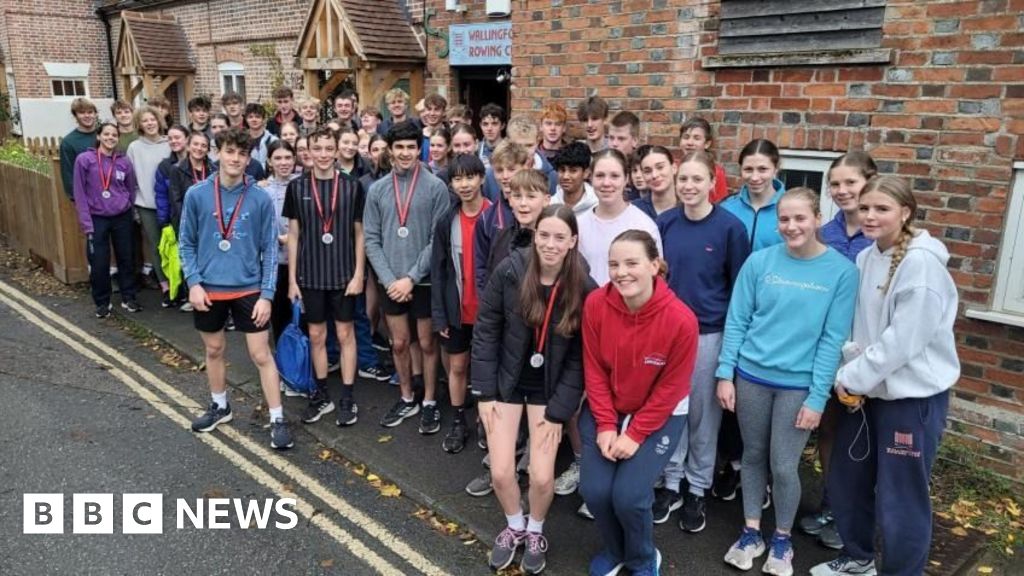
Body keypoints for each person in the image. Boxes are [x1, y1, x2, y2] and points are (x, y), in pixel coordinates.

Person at [812, 176, 959, 576]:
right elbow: (861, 329)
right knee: (848, 480)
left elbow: (902, 342)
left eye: (882, 209)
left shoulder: (921, 264)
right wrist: (848, 370)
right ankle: (859, 559)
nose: (871, 216)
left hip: (909, 401)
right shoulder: (866, 257)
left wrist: (850, 377)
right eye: (865, 208)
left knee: (901, 498)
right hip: (864, 396)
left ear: (905, 213)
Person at [715, 187, 858, 575]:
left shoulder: (842, 272)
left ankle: (781, 539)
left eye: (799, 218)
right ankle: (750, 532)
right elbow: (738, 320)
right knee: (752, 456)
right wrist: (725, 373)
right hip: (751, 377)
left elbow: (833, 339)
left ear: (816, 219)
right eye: (784, 219)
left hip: (798, 385)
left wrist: (817, 397)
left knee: (783, 464)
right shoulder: (760, 263)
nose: (791, 226)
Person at [474, 205, 595, 574]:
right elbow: (486, 329)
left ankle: (536, 530)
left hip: (548, 390)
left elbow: (580, 357)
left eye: (560, 237)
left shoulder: (584, 286)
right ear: (535, 234)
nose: (551, 244)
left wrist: (561, 410)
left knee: (542, 476)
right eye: (545, 235)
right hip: (506, 385)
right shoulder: (510, 270)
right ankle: (514, 525)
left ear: (573, 241)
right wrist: (483, 391)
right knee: (501, 472)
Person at [580, 229, 699, 576]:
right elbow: (595, 369)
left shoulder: (681, 320)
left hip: (660, 414)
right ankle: (617, 551)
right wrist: (605, 424)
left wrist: (634, 435)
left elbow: (671, 388)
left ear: (655, 265)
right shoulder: (596, 304)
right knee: (596, 491)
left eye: (632, 263)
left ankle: (644, 558)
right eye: (614, 264)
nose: (621, 272)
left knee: (630, 497)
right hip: (608, 408)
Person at [179, 127, 293, 449]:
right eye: (230, 152)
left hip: (249, 289)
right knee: (214, 350)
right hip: (209, 290)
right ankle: (220, 406)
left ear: (248, 159)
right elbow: (185, 243)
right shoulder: (197, 194)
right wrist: (194, 283)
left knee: (261, 354)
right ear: (218, 153)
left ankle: (277, 418)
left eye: (242, 154)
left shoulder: (259, 197)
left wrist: (268, 296)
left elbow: (270, 250)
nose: (235, 159)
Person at [654, 151, 750, 531]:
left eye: (698, 180)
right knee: (671, 411)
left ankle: (697, 487)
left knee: (703, 417)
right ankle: (671, 482)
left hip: (710, 333)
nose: (689, 187)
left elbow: (740, 290)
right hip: (668, 334)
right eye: (684, 180)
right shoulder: (665, 223)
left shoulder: (730, 228)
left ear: (713, 183)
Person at [799, 151, 877, 551]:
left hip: (864, 355)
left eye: (852, 182)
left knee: (858, 439)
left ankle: (855, 517)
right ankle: (831, 504)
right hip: (823, 351)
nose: (843, 190)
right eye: (836, 184)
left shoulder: (879, 234)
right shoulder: (824, 233)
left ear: (869, 181)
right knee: (828, 432)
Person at [363, 120, 449, 432]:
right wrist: (389, 281)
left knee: (427, 343)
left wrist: (411, 278)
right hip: (389, 281)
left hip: (422, 281)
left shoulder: (436, 187)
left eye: (411, 147)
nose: (405, 153)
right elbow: (370, 239)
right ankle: (406, 396)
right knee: (399, 343)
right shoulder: (377, 189)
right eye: (399, 147)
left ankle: (429, 401)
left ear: (419, 149)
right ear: (390, 150)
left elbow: (436, 240)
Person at [285, 127, 366, 427]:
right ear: (308, 152)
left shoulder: (353, 186)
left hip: (344, 275)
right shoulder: (297, 188)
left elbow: (360, 234)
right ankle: (321, 395)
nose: (322, 154)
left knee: (345, 335)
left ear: (336, 151)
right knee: (317, 336)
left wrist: (359, 273)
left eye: (327, 148)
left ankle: (347, 396)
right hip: (310, 275)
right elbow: (293, 235)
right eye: (315, 148)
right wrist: (292, 280)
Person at [431, 154, 490, 454]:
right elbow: (439, 270)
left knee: (484, 370)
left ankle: (485, 421)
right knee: (457, 366)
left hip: (488, 315)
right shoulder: (447, 221)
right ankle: (458, 420)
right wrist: (440, 316)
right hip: (458, 312)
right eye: (457, 179)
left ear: (481, 178)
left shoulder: (496, 216)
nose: (464, 184)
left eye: (470, 177)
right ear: (451, 184)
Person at [72, 121, 141, 317]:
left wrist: (126, 204)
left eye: (114, 135)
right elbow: (79, 192)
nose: (110, 138)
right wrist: (86, 223)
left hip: (121, 217)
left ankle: (129, 297)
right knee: (99, 262)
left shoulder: (124, 162)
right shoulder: (85, 160)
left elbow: (131, 188)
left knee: (126, 258)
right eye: (107, 134)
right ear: (98, 136)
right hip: (97, 218)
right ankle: (102, 302)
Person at [577, 149, 661, 286]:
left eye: (614, 176)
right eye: (600, 175)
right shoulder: (579, 225)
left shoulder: (644, 226)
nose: (606, 183)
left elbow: (655, 280)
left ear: (626, 179)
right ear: (591, 178)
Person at [473, 141, 529, 294]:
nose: (505, 176)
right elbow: (480, 269)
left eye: (511, 169)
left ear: (525, 167)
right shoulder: (486, 219)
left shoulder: (540, 212)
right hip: (499, 300)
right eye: (499, 170)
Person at [127, 106, 171, 294]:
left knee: (175, 245)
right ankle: (164, 284)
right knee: (156, 246)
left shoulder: (169, 143)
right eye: (145, 121)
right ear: (140, 125)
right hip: (146, 205)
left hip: (170, 204)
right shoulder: (134, 148)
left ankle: (179, 282)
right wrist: (134, 207)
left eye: (152, 119)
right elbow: (131, 179)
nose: (150, 123)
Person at [262, 139, 300, 344]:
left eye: (288, 157)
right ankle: (284, 364)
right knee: (279, 316)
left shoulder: (303, 184)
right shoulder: (263, 191)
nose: (283, 162)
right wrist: (276, 237)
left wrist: (296, 237)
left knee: (302, 318)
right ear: (269, 161)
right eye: (277, 158)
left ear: (294, 159)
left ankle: (304, 367)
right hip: (275, 263)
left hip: (302, 262)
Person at [720, 139, 786, 251]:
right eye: (748, 169)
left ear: (776, 169)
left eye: (762, 169)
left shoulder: (791, 208)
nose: (754, 177)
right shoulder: (726, 208)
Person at [154, 124, 191, 306]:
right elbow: (161, 195)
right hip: (175, 218)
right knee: (179, 258)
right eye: (170, 138)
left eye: (177, 137)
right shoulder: (164, 166)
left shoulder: (197, 162)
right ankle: (181, 294)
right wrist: (163, 220)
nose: (174, 141)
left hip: (196, 218)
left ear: (187, 139)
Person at [678, 117, 728, 204]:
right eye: (686, 137)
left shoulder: (716, 172)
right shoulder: (674, 168)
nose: (690, 142)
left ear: (707, 144)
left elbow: (721, 203)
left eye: (696, 138)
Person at [60, 97, 99, 200]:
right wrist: (77, 199)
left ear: (95, 114)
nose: (87, 116)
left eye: (90, 112)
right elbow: (68, 175)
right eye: (82, 113)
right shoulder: (68, 142)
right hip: (88, 197)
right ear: (75, 115)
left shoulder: (105, 135)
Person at [550, 142, 597, 216]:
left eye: (573, 171)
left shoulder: (596, 205)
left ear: (586, 173)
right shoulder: (550, 205)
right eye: (562, 170)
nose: (565, 176)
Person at [633, 145, 678, 221]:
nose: (654, 175)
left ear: (674, 168)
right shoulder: (635, 210)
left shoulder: (688, 207)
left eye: (660, 167)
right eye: (647, 171)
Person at [478, 103, 506, 168]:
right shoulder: (476, 149)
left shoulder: (511, 149)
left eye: (494, 124)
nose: (489, 128)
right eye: (485, 124)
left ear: (502, 126)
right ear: (480, 126)